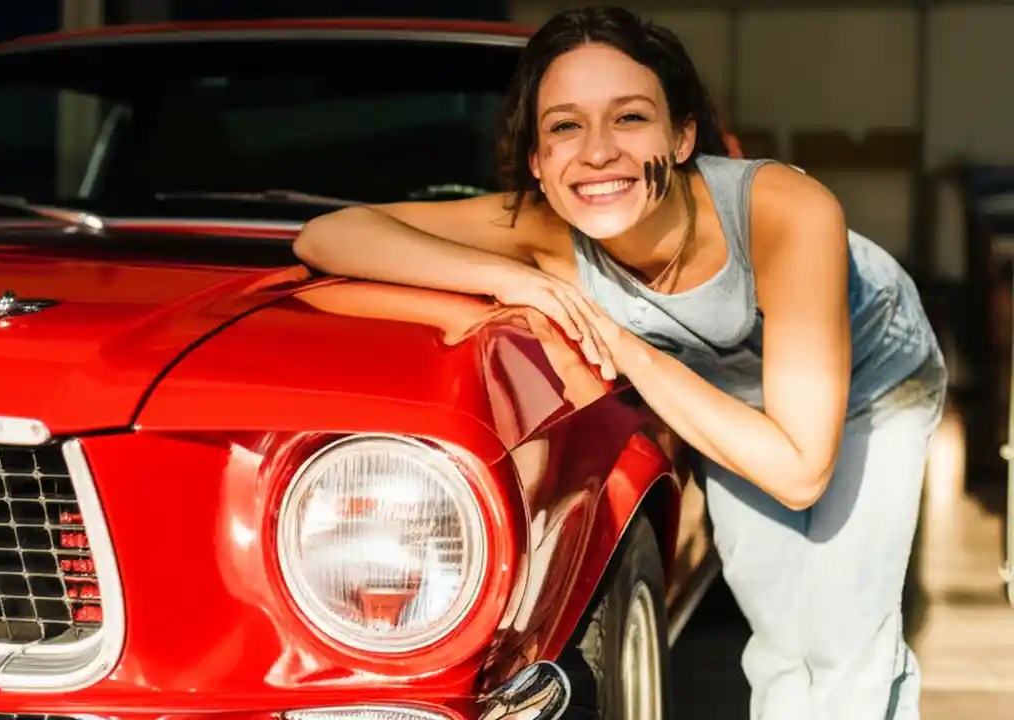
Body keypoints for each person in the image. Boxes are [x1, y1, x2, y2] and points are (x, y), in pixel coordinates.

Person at [292, 6, 946, 719]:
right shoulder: (539, 232)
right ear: (538, 164)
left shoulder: (785, 213)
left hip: (872, 381)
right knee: (785, 633)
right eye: (566, 126)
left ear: (683, 134)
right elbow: (331, 234)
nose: (597, 151)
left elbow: (798, 472)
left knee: (847, 633)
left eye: (630, 118)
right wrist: (513, 278)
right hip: (723, 394)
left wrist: (623, 341)